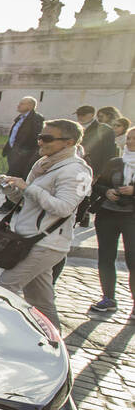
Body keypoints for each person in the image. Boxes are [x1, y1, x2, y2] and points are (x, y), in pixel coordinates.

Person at [0, 119, 92, 328]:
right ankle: (53, 343)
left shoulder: (75, 171)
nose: (40, 142)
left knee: (2, 290)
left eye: (47, 138)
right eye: (40, 137)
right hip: (30, 238)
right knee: (41, 302)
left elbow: (63, 207)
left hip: (47, 243)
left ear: (69, 142)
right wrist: (11, 188)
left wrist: (28, 187)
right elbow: (27, 201)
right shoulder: (44, 165)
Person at [87, 126, 135, 313]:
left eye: (134, 139)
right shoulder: (116, 162)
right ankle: (108, 297)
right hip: (108, 214)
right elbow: (98, 184)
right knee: (106, 257)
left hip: (131, 217)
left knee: (133, 259)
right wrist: (106, 191)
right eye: (129, 138)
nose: (130, 142)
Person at [0, 96, 45, 212]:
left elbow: (36, 138)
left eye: (22, 103)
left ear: (30, 106)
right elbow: (14, 135)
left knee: (16, 179)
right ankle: (13, 204)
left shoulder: (36, 119)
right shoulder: (20, 118)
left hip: (24, 156)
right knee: (11, 177)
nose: (18, 105)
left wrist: (24, 153)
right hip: (14, 153)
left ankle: (11, 205)